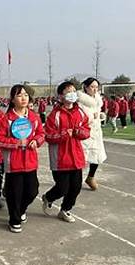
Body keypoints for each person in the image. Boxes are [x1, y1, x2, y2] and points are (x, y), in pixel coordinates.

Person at [0, 85, 44, 233]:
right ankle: (14, 219)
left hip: (30, 161)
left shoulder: (34, 117)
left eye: (25, 95)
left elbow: (41, 134)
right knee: (14, 193)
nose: (23, 98)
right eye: (19, 95)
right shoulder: (7, 119)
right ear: (12, 99)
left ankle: (21, 210)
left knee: (32, 191)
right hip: (13, 163)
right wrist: (16, 143)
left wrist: (37, 141)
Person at [42, 81, 90, 223]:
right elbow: (48, 136)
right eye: (68, 91)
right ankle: (49, 197)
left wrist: (78, 132)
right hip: (60, 159)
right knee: (62, 187)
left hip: (76, 157)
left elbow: (87, 131)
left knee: (75, 187)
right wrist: (64, 134)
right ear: (61, 96)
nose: (72, 94)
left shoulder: (80, 112)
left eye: (74, 91)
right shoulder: (54, 115)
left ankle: (65, 210)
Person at [77, 77, 107, 191]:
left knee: (97, 155)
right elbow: (78, 115)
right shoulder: (80, 101)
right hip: (84, 131)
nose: (94, 89)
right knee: (82, 156)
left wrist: (100, 115)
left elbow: (97, 112)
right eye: (92, 87)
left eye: (96, 87)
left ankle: (91, 177)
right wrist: (90, 117)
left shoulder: (98, 100)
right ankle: (76, 179)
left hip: (96, 131)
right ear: (85, 87)